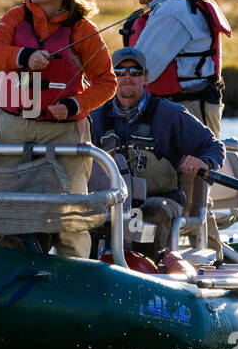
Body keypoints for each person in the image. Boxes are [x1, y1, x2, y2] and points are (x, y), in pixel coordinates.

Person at [0, 0, 116, 258]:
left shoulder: (84, 31)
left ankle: (73, 268)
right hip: (13, 126)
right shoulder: (14, 18)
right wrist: (23, 57)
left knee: (69, 214)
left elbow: (107, 83)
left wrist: (73, 105)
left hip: (64, 131)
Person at [113, 0, 231, 255]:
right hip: (189, 105)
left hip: (188, 108)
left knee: (193, 191)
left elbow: (143, 67)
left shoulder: (172, 12)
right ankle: (179, 253)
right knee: (181, 188)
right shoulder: (181, 3)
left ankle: (209, 258)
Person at [89, 46, 226, 263]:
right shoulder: (95, 117)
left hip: (162, 202)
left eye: (134, 72)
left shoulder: (170, 114)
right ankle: (87, 267)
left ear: (146, 77)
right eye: (119, 72)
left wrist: (203, 161)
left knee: (153, 210)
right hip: (110, 204)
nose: (127, 77)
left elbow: (213, 146)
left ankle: (149, 266)